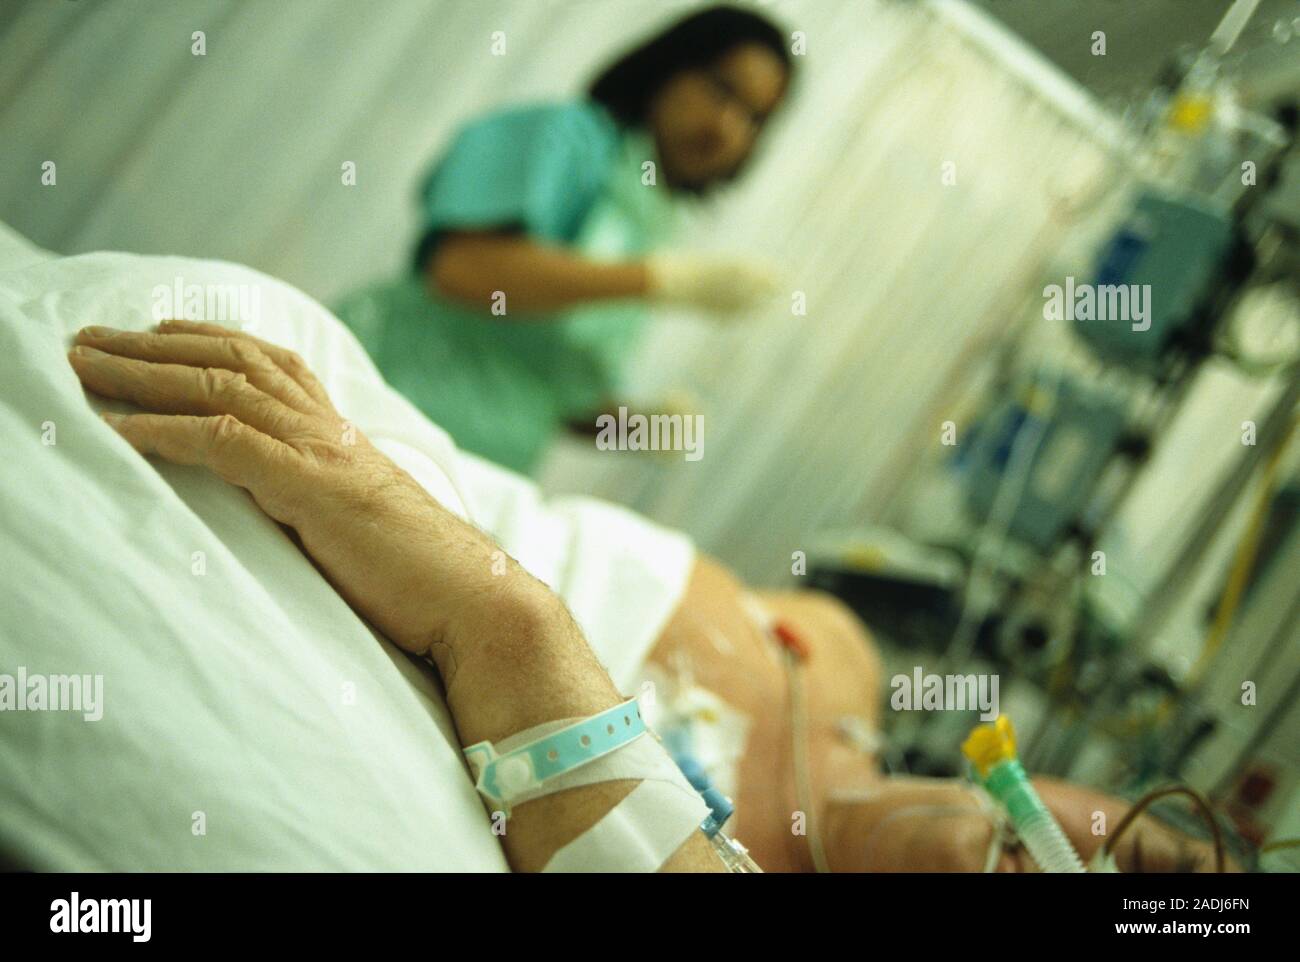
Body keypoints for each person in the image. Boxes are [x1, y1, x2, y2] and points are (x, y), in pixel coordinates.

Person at [66, 321, 1231, 873]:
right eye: (1140, 864)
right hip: (293, 395)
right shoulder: (847, 664)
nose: (1068, 871)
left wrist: (496, 609)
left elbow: (503, 622)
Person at [334, 5, 791, 473]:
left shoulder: (655, 224)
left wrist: (640, 428)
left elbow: (545, 392)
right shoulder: (563, 137)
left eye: (753, 119)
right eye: (721, 90)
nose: (725, 129)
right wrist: (659, 281)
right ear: (670, 66)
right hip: (371, 404)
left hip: (467, 472)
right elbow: (463, 269)